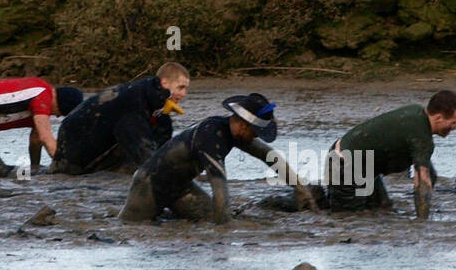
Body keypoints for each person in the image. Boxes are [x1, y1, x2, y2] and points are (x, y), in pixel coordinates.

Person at [120, 93, 317, 223]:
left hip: (181, 187)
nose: (256, 137)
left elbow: (269, 156)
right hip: (149, 185)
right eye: (255, 132)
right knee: (131, 228)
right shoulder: (211, 136)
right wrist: (226, 232)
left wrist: (301, 189)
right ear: (242, 125)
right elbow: (219, 189)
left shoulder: (232, 131)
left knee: (209, 218)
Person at [267, 90, 456, 218]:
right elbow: (422, 184)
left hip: (363, 168)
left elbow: (428, 172)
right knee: (349, 217)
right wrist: (422, 223)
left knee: (382, 208)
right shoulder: (421, 134)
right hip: (344, 166)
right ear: (439, 117)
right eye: (454, 123)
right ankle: (293, 201)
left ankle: (318, 196)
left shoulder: (416, 114)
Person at [51, 62, 190, 175]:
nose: (184, 94)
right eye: (181, 87)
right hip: (74, 147)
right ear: (164, 83)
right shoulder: (135, 100)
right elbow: (143, 151)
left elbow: (162, 142)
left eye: (186, 89)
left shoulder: (155, 103)